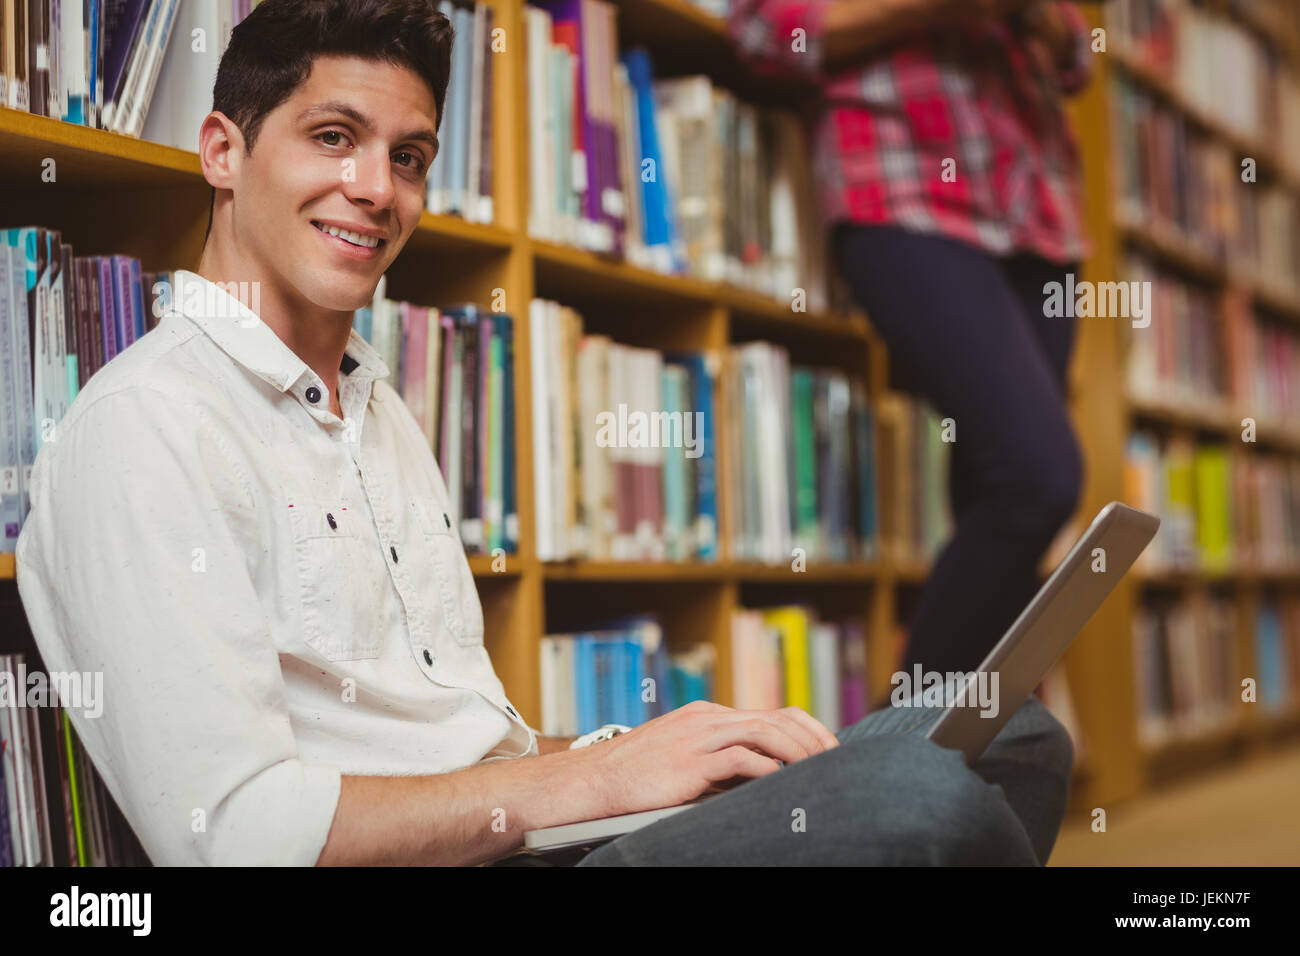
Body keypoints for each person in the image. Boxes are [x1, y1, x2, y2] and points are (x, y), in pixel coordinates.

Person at [16, 0, 1073, 867]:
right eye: (332, 138)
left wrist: (647, 753)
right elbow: (234, 839)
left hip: (537, 831)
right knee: (915, 796)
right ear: (221, 152)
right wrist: (592, 779)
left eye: (410, 155)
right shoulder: (144, 427)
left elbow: (474, 743)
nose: (375, 189)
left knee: (1003, 730)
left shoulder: (373, 406)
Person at [729, 0, 1094, 677]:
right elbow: (762, 31)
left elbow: (1078, 58)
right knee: (1036, 481)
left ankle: (961, 763)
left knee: (996, 502)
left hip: (1037, 207)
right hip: (900, 183)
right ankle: (896, 750)